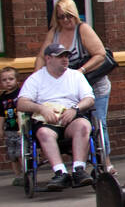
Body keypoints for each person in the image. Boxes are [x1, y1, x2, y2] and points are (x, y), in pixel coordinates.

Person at [41, 0, 116, 175]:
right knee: (78, 124)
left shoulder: (83, 29)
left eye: (68, 16)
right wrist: (39, 75)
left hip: (94, 85)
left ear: (75, 14)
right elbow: (42, 56)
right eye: (61, 17)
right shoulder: (54, 33)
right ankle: (80, 162)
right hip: (71, 89)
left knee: (99, 123)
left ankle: (106, 162)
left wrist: (80, 71)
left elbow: (99, 54)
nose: (66, 20)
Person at [17, 43, 96, 191]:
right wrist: (41, 108)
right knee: (43, 133)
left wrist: (75, 108)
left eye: (66, 56)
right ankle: (60, 173)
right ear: (48, 58)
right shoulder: (36, 78)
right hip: (48, 120)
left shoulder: (76, 76)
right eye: (60, 56)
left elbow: (89, 98)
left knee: (84, 126)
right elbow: (21, 103)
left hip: (71, 117)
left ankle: (79, 169)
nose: (65, 59)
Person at [0, 66, 23, 185]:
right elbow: (1, 115)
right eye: (4, 80)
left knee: (21, 153)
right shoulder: (2, 98)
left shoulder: (21, 94)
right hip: (9, 130)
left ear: (17, 80)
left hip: (20, 129)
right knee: (12, 154)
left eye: (10, 79)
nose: (8, 82)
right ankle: (17, 175)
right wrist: (0, 129)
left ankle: (26, 174)